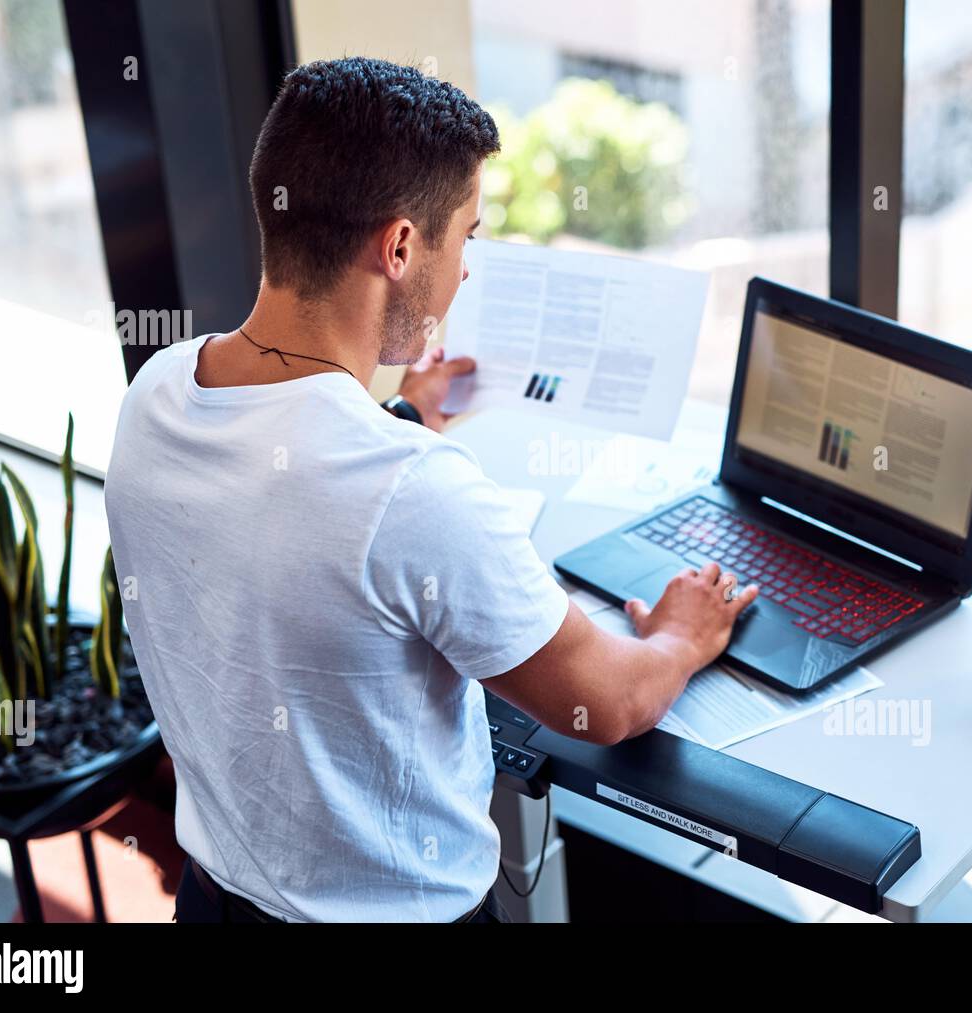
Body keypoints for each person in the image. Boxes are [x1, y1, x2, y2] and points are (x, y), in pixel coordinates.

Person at [104, 56, 758, 924]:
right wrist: (681, 635)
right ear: (402, 246)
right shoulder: (416, 494)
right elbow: (605, 703)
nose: (466, 274)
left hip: (215, 897)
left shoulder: (159, 392)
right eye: (468, 239)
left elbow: (290, 498)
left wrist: (406, 409)